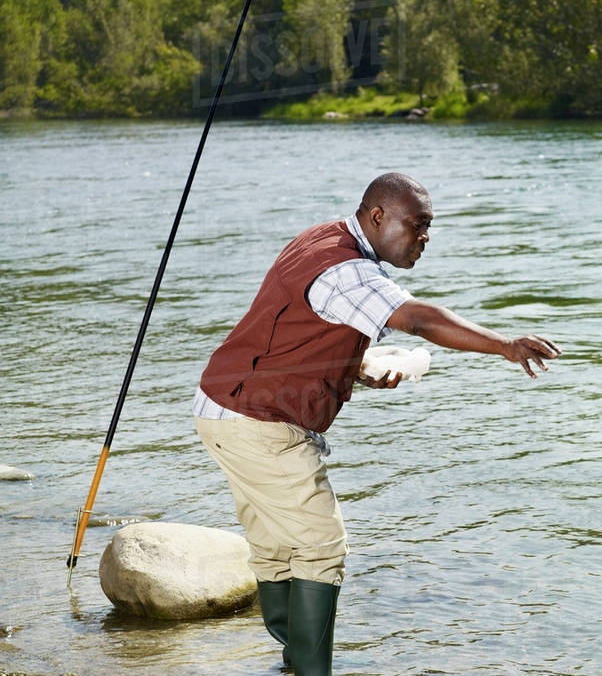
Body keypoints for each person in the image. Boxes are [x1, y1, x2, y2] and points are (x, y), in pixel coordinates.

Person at [193, 172, 561, 675]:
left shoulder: (321, 237)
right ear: (378, 217)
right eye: (418, 225)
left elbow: (298, 329)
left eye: (429, 227)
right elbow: (419, 319)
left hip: (222, 409)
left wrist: (355, 368)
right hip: (261, 423)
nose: (425, 238)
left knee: (278, 545)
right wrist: (504, 345)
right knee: (322, 548)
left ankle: (292, 662)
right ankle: (310, 670)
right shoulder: (349, 271)